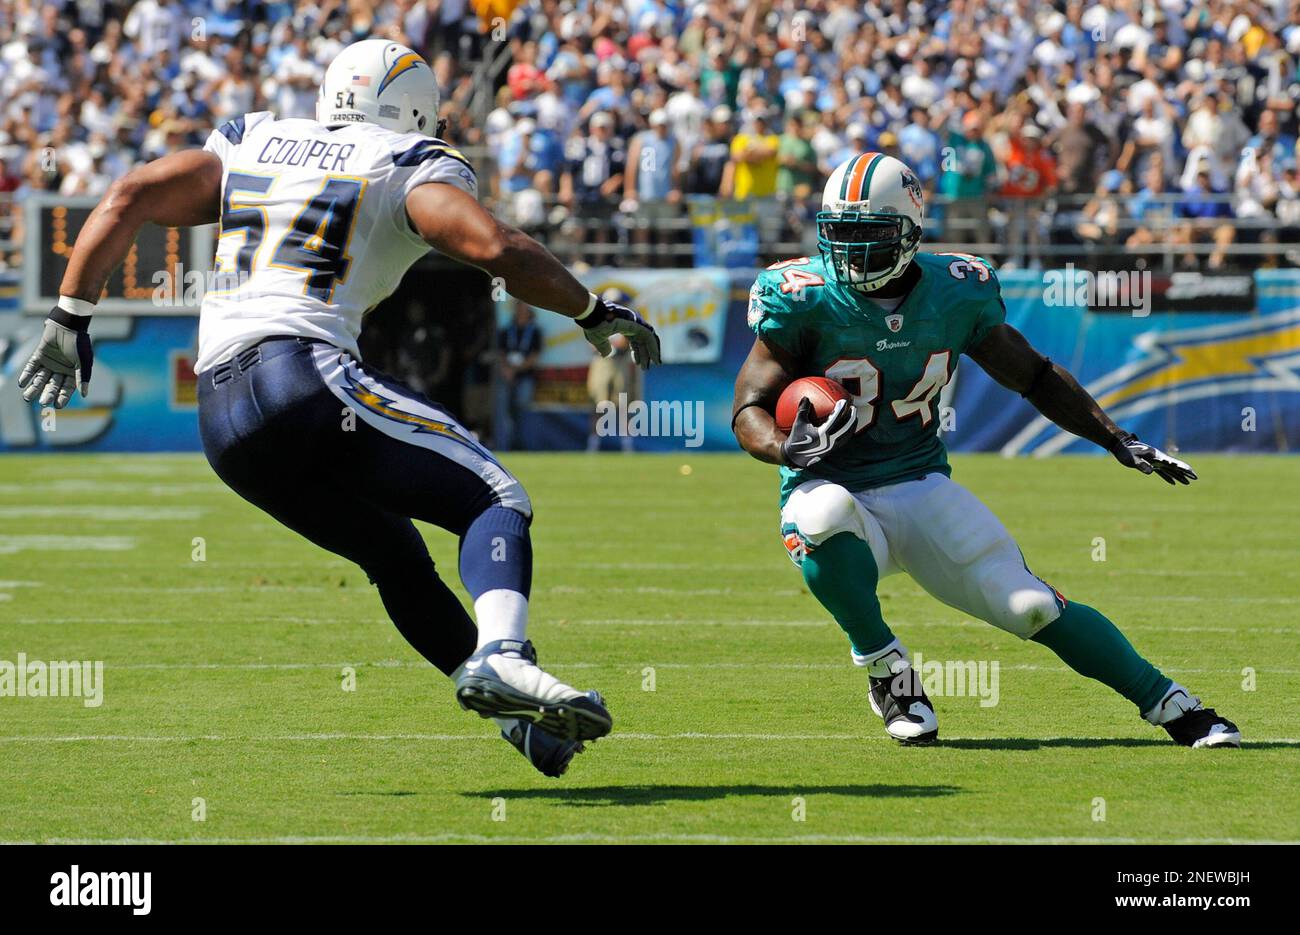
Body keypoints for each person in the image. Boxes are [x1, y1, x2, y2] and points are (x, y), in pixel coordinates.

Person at [17, 40, 662, 778]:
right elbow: (495, 246)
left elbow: (128, 195)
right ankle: (506, 652)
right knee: (494, 495)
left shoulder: (253, 138)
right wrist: (589, 310)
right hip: (304, 374)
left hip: (222, 416)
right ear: (416, 106)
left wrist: (69, 317)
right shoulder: (405, 159)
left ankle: (517, 724)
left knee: (393, 554)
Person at [730, 151, 1240, 749]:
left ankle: (1173, 705)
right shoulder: (802, 295)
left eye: (868, 235)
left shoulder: (956, 290)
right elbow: (748, 407)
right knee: (822, 515)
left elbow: (1034, 375)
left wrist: (1116, 438)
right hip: (829, 484)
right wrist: (788, 447)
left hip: (916, 482)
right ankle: (885, 668)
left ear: (910, 232)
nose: (850, 251)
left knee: (1029, 606)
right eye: (839, 234)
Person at [494, 302, 543, 450]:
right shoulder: (506, 330)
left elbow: (534, 356)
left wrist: (516, 370)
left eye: (523, 308)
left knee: (523, 410)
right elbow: (501, 353)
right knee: (504, 411)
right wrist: (507, 370)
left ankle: (523, 445)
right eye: (518, 308)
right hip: (507, 376)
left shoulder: (535, 331)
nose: (520, 311)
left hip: (526, 376)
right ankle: (505, 445)